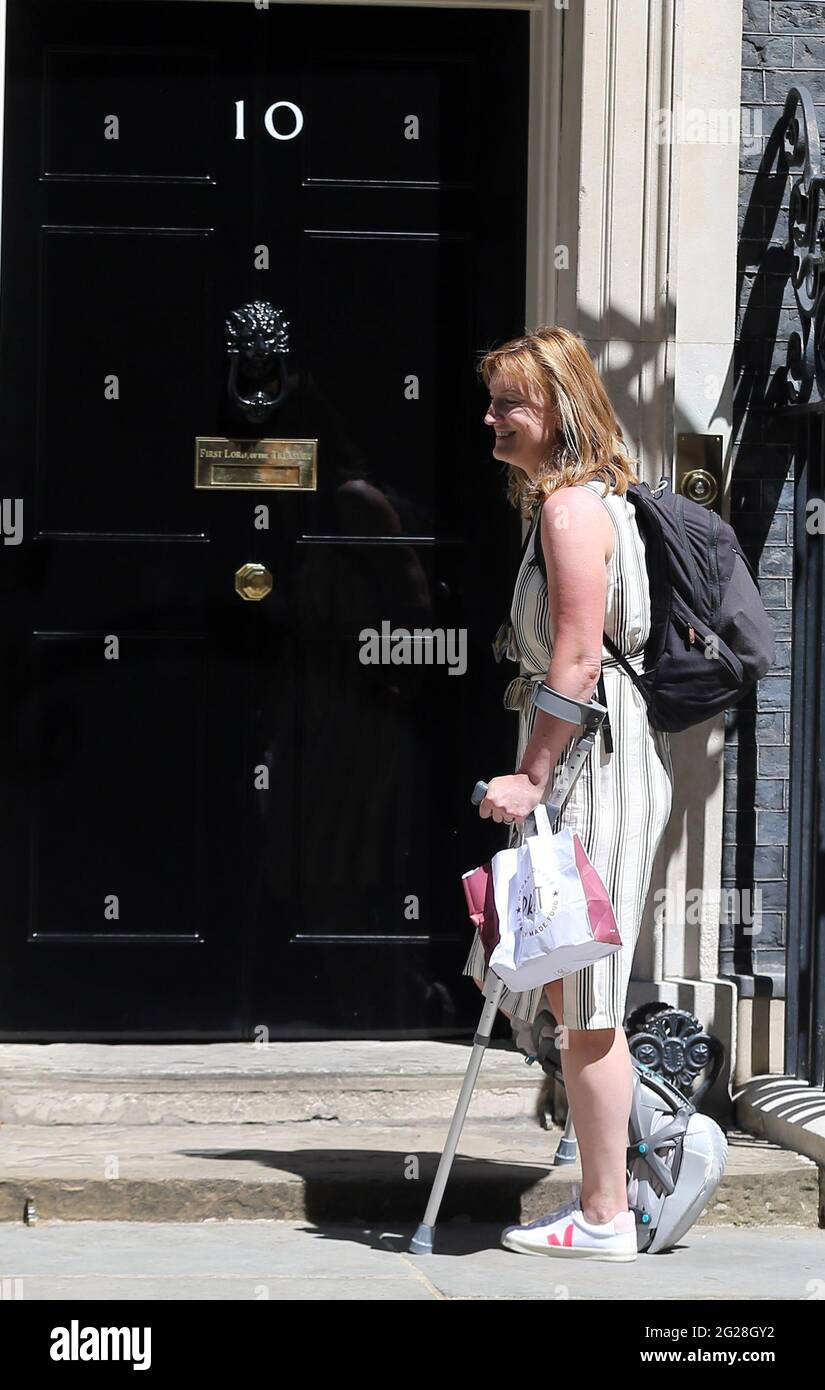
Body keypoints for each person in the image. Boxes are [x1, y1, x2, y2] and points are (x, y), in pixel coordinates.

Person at [462, 326, 674, 1261]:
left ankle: (604, 1215)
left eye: (512, 402)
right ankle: (614, 1193)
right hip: (596, 751)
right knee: (571, 993)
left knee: (585, 1001)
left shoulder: (569, 513)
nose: (493, 418)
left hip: (592, 760)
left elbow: (579, 657)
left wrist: (532, 772)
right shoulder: (584, 504)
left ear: (559, 410)